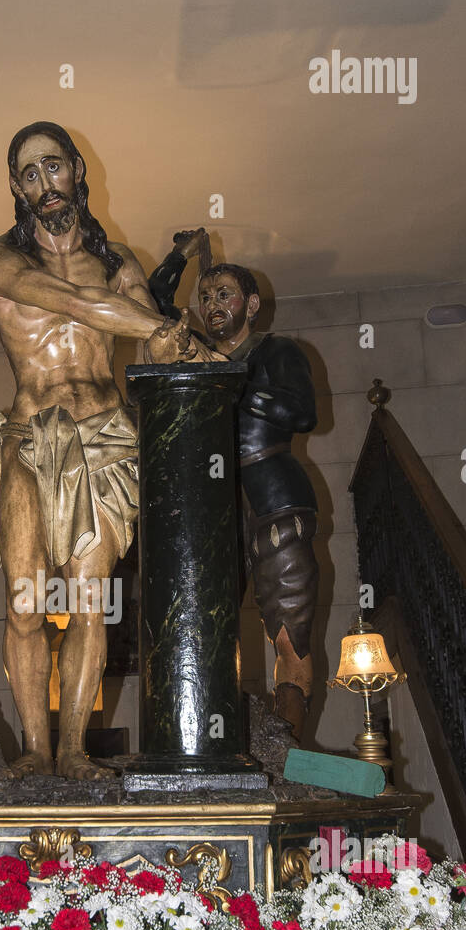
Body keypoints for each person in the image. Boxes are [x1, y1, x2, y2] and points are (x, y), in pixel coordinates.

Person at [0, 122, 194, 779]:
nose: (44, 184)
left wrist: (172, 343)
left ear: (76, 170)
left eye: (52, 167)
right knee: (24, 601)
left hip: (103, 437)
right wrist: (158, 324)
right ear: (17, 187)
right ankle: (33, 748)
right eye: (29, 174)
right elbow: (74, 302)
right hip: (30, 438)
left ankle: (71, 749)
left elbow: (151, 351)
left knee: (89, 600)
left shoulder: (120, 261)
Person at [149, 237, 319, 737]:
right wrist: (182, 254)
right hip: (212, 506)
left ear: (251, 304)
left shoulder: (278, 350)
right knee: (206, 631)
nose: (212, 305)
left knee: (290, 630)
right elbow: (154, 299)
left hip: (274, 497)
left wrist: (231, 377)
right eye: (206, 297)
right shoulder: (196, 354)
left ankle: (286, 749)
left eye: (224, 294)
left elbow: (303, 413)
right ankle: (211, 739)